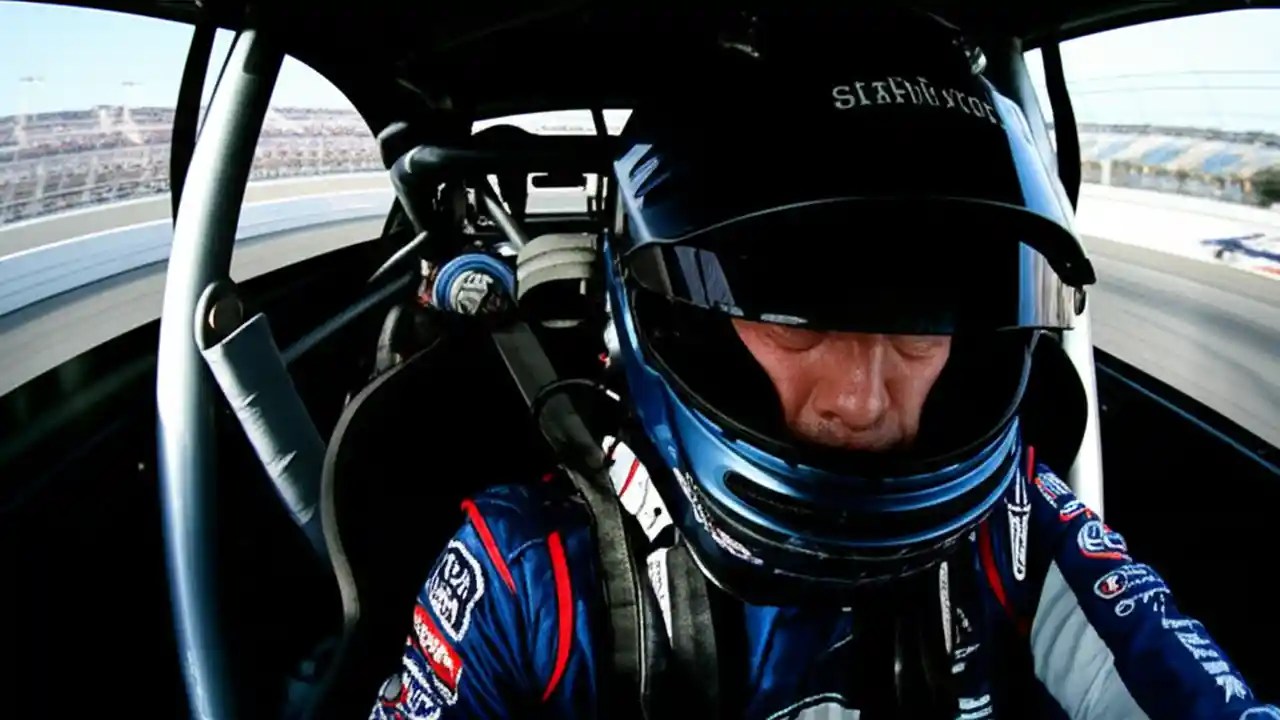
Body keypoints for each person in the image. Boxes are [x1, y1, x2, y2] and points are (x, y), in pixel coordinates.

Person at [369, 8, 1275, 719]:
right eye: (796, 326)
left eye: (919, 336)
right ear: (681, 323)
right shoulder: (529, 575)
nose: (862, 400)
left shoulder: (1018, 529)